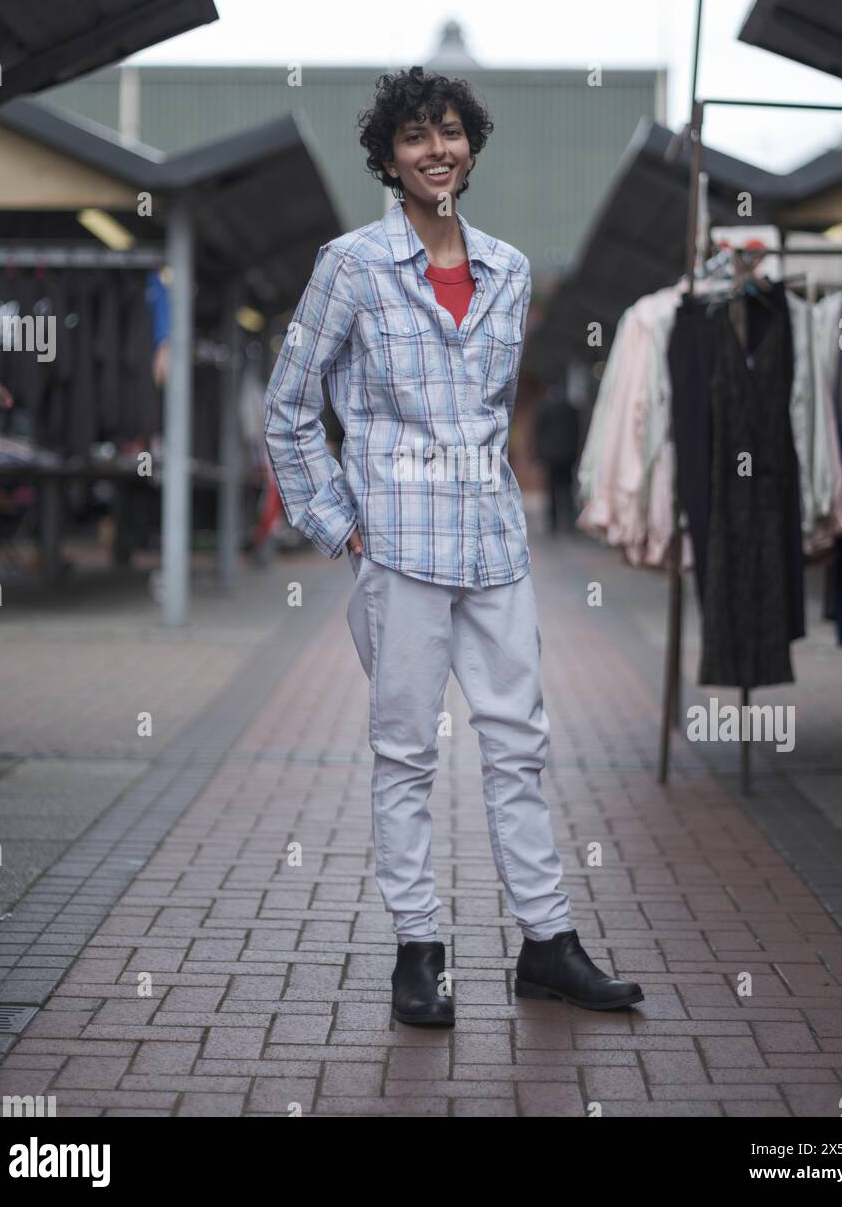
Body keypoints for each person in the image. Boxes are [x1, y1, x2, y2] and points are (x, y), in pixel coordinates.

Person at [263, 66, 643, 1026]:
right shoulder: (349, 265)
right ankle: (416, 954)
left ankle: (546, 945)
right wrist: (337, 523)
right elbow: (288, 406)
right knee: (406, 755)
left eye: (450, 134)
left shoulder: (510, 271)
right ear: (388, 160)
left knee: (518, 745)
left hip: (493, 545)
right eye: (415, 138)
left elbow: (485, 414)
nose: (436, 151)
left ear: (470, 147)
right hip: (397, 548)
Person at [532, 379, 580, 535]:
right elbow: (576, 432)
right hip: (567, 455)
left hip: (550, 455)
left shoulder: (544, 408)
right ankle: (569, 522)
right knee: (567, 490)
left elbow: (538, 433)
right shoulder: (571, 409)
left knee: (552, 490)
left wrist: (538, 454)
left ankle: (553, 523)